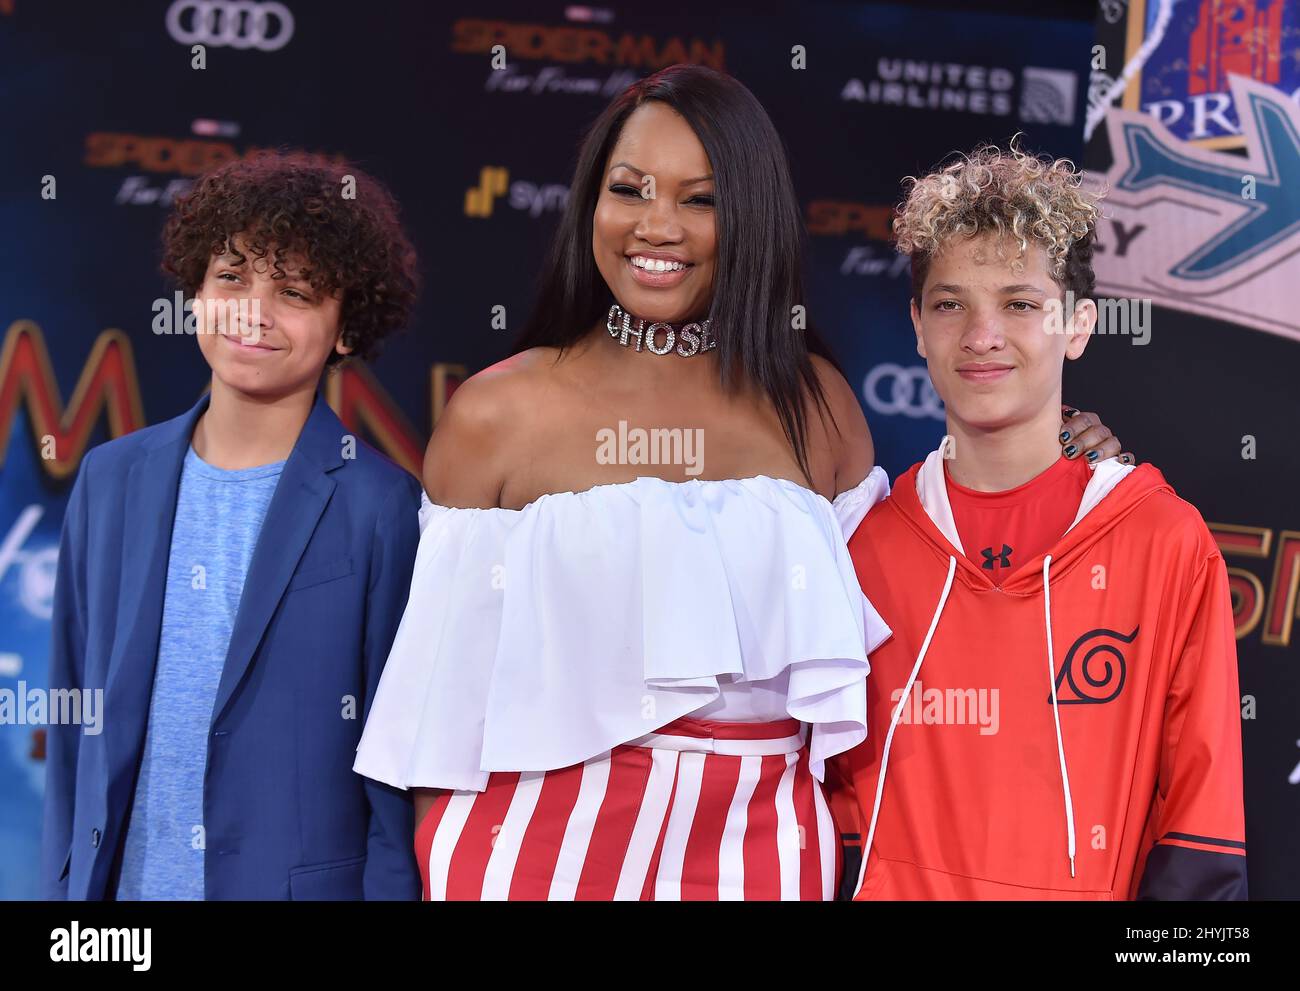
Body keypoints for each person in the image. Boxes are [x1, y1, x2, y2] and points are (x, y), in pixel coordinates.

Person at [353, 67, 1121, 900]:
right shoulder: (496, 413)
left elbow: (927, 608)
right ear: (589, 204)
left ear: (749, 215)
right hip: (534, 847)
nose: (657, 225)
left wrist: (1058, 456)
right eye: (629, 189)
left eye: (701, 199)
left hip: (763, 852)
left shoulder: (816, 405)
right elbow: (438, 712)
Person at [829, 142, 1247, 900]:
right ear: (918, 326)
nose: (982, 336)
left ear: (1078, 325)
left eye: (1020, 304)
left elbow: (1201, 835)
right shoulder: (861, 547)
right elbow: (828, 813)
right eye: (952, 304)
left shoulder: (1164, 542)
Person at [42, 152, 424, 900]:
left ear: (347, 328)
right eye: (231, 278)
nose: (253, 310)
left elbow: (395, 774)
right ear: (193, 293)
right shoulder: (111, 478)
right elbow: (70, 725)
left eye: (293, 290)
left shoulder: (383, 507)